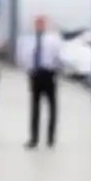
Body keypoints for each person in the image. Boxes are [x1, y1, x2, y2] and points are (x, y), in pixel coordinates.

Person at [16, 14, 61, 149]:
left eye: (42, 23)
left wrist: (55, 69)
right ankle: (34, 138)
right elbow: (22, 56)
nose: (39, 25)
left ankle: (50, 138)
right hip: (35, 75)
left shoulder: (52, 39)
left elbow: (58, 56)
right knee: (35, 107)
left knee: (52, 107)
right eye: (37, 23)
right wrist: (28, 70)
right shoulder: (28, 40)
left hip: (48, 73)